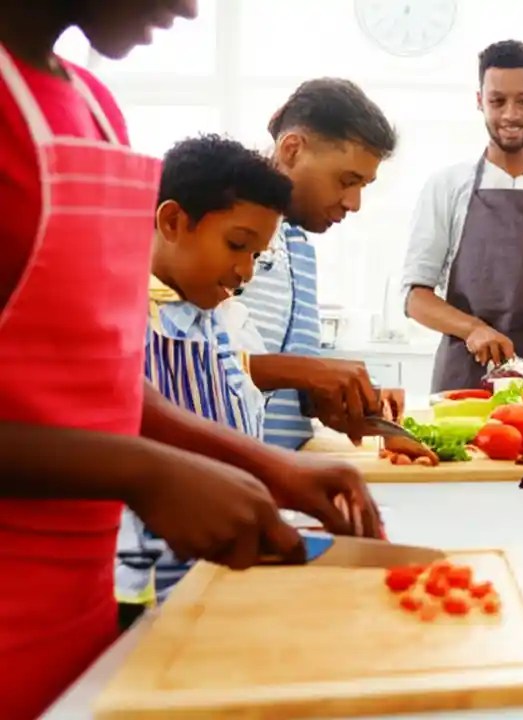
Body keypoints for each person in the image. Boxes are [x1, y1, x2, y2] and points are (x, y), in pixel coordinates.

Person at [0, 4, 380, 718]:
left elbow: (102, 382)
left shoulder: (90, 105)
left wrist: (269, 464)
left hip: (81, 626)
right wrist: (145, 470)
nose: (191, 6)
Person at [116, 134, 293, 623]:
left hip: (221, 571)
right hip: (151, 588)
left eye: (256, 255)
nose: (246, 271)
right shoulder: (129, 319)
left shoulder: (215, 317)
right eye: (237, 245)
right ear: (172, 221)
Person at [402, 40, 523, 392]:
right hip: (464, 384)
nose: (511, 114)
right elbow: (416, 298)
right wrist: (473, 329)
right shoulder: (447, 187)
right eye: (497, 101)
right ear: (480, 101)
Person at [234, 78, 400, 449]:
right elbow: (187, 363)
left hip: (279, 475)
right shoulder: (221, 234)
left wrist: (351, 397)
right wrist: (314, 372)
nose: (354, 203)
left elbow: (295, 385)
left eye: (363, 186)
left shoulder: (298, 247)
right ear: (292, 149)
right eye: (347, 180)